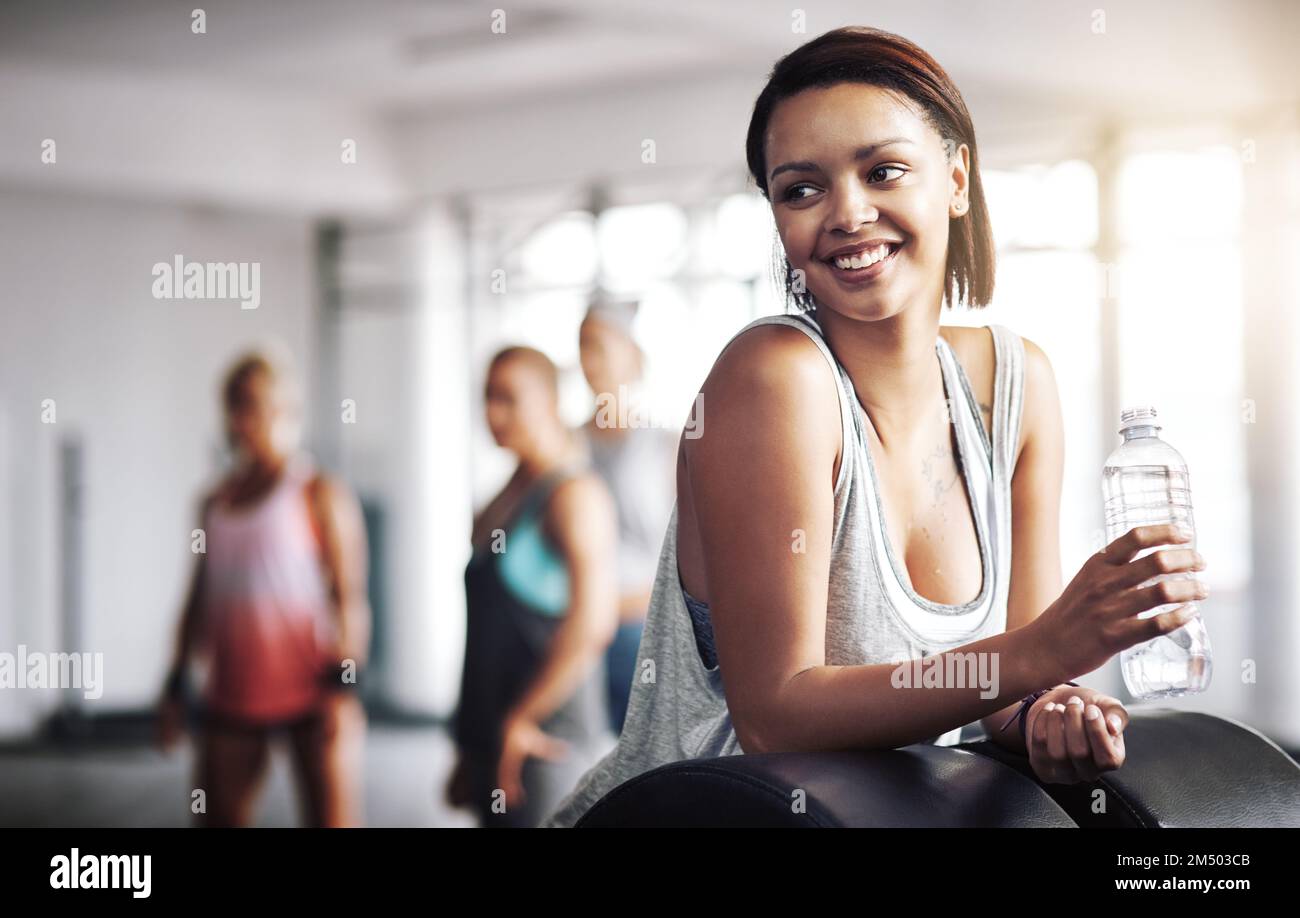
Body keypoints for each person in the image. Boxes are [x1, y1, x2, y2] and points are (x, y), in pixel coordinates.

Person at [543, 26, 1209, 827]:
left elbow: (1014, 690)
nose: (849, 214)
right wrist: (1047, 651)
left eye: (883, 170)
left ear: (956, 178)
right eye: (801, 189)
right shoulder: (772, 377)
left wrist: (1049, 712)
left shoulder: (1017, 386)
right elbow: (778, 715)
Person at [156, 348, 372, 827]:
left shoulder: (319, 493)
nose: (242, 418)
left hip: (314, 692)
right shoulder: (213, 502)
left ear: (284, 410)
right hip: (233, 691)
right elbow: (197, 600)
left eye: (254, 404)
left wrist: (345, 687)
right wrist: (175, 683)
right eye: (235, 405)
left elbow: (349, 596)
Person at [446, 345, 619, 827]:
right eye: (486, 398)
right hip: (494, 736)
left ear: (549, 403)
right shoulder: (504, 494)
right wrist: (470, 743)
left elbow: (592, 626)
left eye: (507, 399)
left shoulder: (574, 496)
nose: (492, 414)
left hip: (546, 740)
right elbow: (482, 634)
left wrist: (521, 719)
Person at [576, 298, 678, 735]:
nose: (588, 360)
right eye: (582, 347)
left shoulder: (665, 446)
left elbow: (683, 558)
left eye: (599, 345)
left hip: (637, 628)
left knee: (639, 761)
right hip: (575, 628)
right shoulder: (567, 445)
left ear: (632, 353)